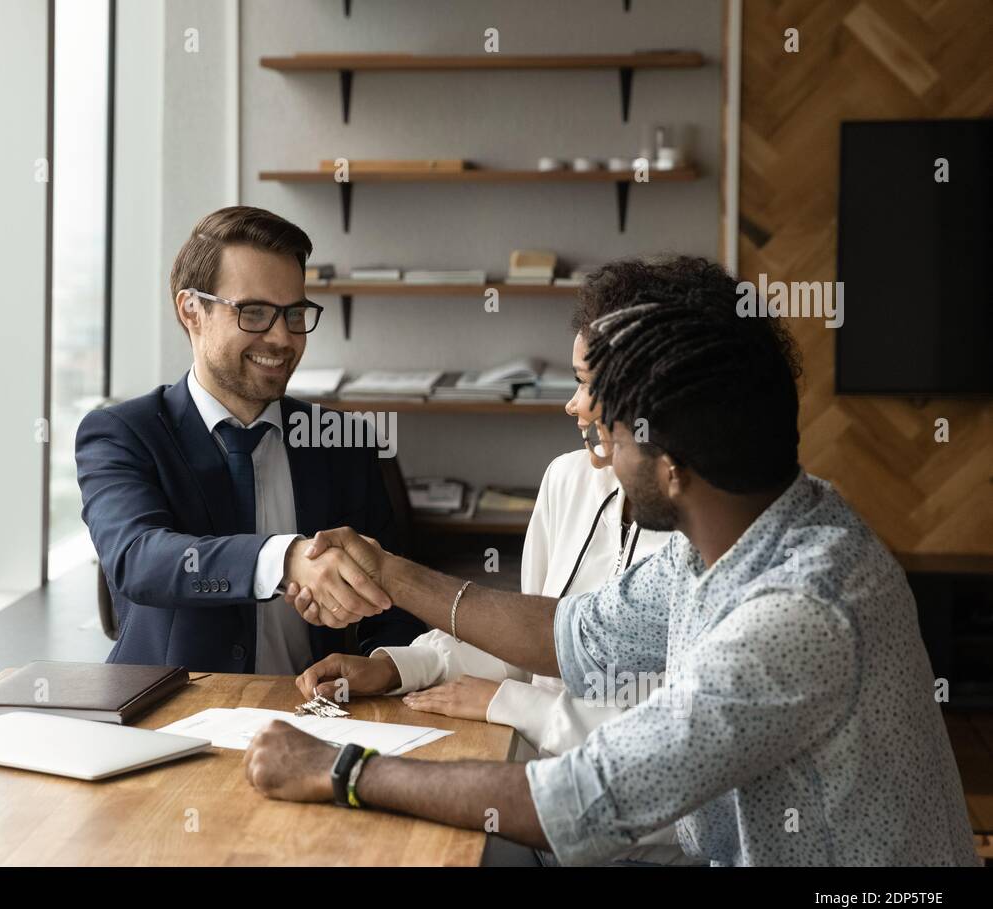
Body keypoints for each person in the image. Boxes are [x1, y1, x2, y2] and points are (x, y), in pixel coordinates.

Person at [245, 280, 979, 866]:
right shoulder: (748, 530)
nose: (597, 447)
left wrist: (342, 770)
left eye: (613, 432)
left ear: (669, 465)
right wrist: (391, 572)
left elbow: (582, 801)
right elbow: (570, 632)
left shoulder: (796, 613)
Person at [75, 206, 421, 673]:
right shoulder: (123, 434)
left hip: (318, 716)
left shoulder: (342, 441)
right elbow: (139, 560)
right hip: (170, 715)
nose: (282, 338)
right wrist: (285, 559)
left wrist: (382, 664)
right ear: (191, 310)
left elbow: (399, 600)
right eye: (254, 312)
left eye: (294, 313)